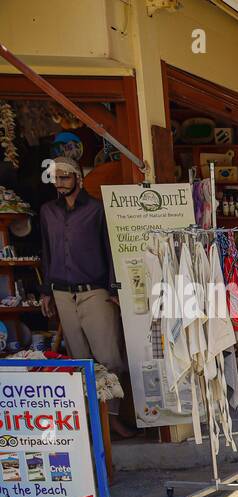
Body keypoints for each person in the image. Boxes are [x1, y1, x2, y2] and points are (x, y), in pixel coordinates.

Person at [39, 156, 135, 438]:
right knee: (78, 361)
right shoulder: (48, 212)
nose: (59, 183)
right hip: (62, 293)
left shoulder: (96, 209)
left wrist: (115, 289)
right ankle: (92, 424)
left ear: (78, 178)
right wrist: (46, 291)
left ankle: (113, 417)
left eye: (65, 177)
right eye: (55, 178)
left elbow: (110, 249)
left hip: (93, 290)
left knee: (109, 358)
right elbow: (47, 251)